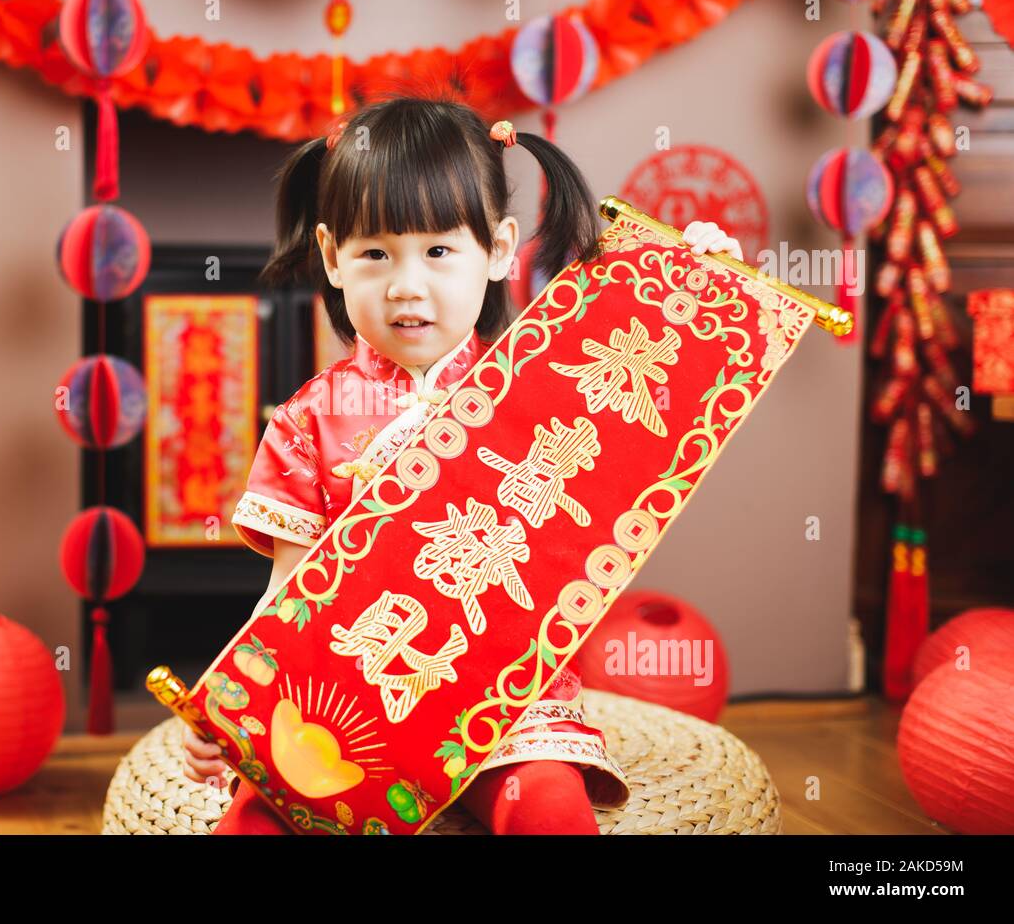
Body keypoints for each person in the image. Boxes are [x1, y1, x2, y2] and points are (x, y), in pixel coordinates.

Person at [185, 95, 743, 835]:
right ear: (330, 256)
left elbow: (651, 392)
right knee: (257, 819)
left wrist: (699, 282)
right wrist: (226, 702)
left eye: (439, 250)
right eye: (376, 253)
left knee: (545, 806)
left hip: (504, 708)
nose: (407, 284)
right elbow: (285, 601)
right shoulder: (305, 424)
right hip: (349, 711)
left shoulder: (540, 387)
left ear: (500, 249)